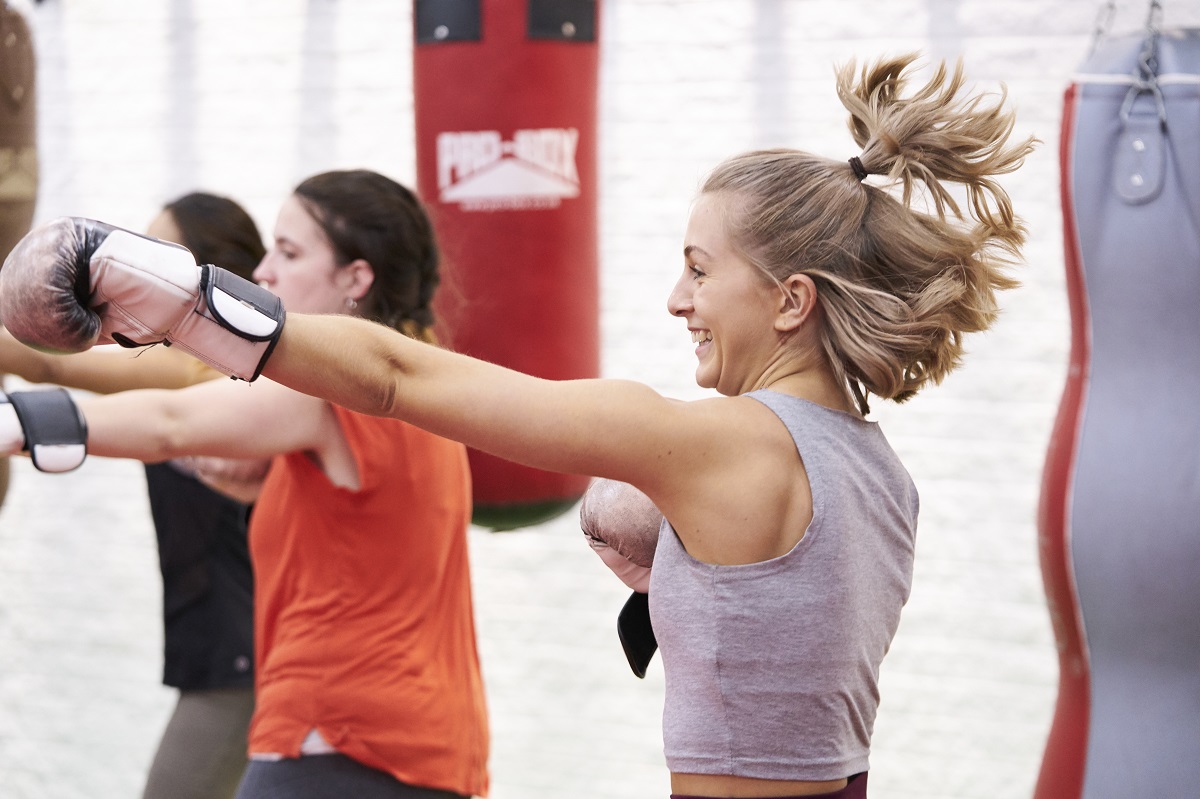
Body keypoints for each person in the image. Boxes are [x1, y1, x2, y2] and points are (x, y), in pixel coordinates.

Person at [1, 55, 1034, 798]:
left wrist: (177, 293)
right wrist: (675, 571)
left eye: (701, 268)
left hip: (351, 742)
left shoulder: (712, 442)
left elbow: (400, 373)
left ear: (793, 302)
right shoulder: (878, 471)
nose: (677, 298)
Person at [0, 170, 489, 799]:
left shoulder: (341, 388)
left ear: (356, 279)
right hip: (429, 745)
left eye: (288, 253)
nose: (264, 271)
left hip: (339, 734)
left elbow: (171, 422)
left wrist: (17, 422)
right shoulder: (426, 392)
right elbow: (363, 539)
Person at [0, 191, 266, 799]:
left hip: (243, 654)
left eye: (157, 252)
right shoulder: (216, 364)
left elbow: (50, 365)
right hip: (223, 648)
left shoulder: (201, 366)